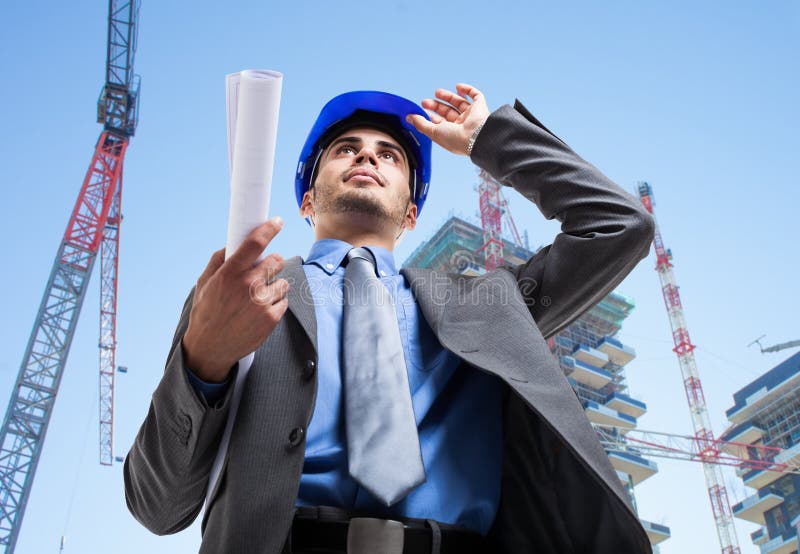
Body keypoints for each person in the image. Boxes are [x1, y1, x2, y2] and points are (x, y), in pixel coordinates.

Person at [124, 83, 656, 554]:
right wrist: (204, 360)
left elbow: (618, 225)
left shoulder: (490, 306)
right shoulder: (241, 296)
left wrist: (488, 138)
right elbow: (158, 505)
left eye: (390, 155)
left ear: (410, 214)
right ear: (309, 199)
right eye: (345, 149)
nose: (367, 158)